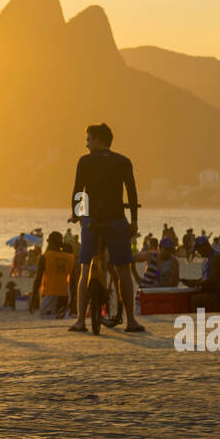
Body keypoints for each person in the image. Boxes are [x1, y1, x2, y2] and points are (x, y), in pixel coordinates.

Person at [67, 123, 145, 333]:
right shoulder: (123, 161)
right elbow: (132, 191)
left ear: (99, 139)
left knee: (84, 270)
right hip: (116, 220)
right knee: (123, 270)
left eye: (89, 139)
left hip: (92, 220)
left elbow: (77, 191)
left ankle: (80, 321)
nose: (86, 144)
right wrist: (134, 219)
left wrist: (76, 214)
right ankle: (131, 321)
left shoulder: (84, 162)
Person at [31, 231, 76, 318]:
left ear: (50, 242)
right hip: (65, 296)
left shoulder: (45, 257)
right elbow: (73, 281)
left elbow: (38, 279)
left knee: (46, 320)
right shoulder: (70, 258)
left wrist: (33, 297)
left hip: (50, 294)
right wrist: (73, 300)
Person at [187, 235, 220, 311]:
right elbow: (205, 278)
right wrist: (192, 282)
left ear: (205, 246)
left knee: (195, 300)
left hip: (218, 293)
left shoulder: (215, 258)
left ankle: (200, 320)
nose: (198, 252)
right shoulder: (207, 260)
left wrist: (197, 283)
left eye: (198, 249)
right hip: (212, 291)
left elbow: (213, 279)